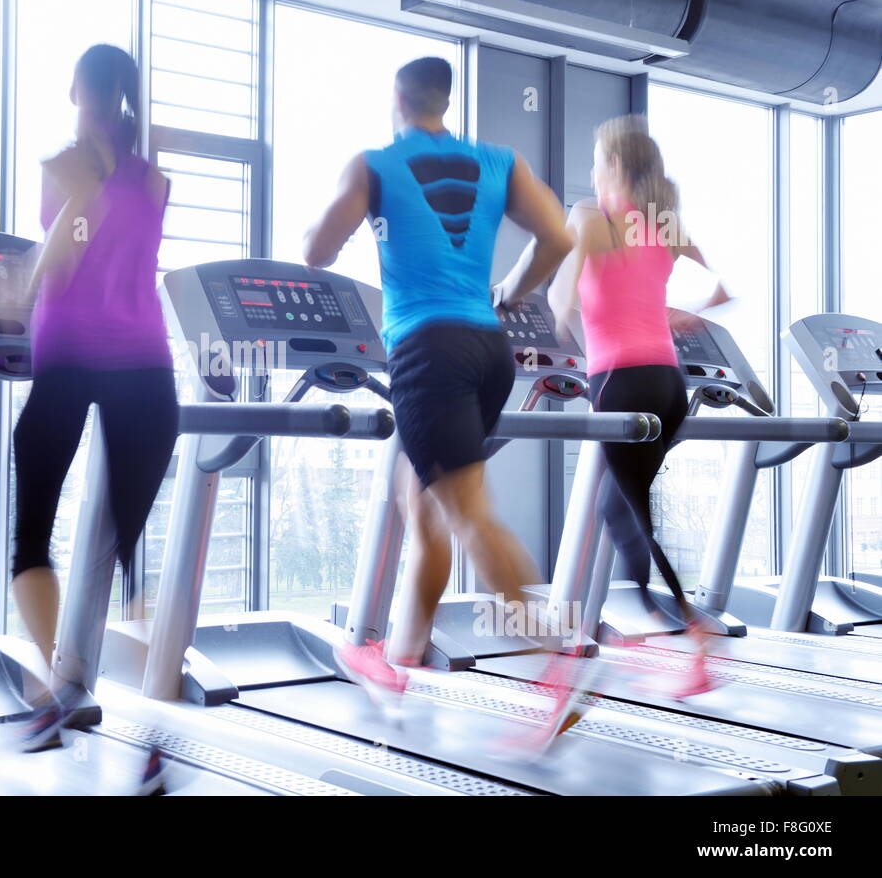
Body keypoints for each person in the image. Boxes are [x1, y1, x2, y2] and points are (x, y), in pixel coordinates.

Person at [302, 56, 576, 743]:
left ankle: (557, 662)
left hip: (428, 351)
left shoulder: (375, 163)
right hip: (489, 351)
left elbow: (316, 250)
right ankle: (398, 656)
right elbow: (559, 235)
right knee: (422, 506)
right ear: (445, 101)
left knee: (470, 515)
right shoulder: (498, 160)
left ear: (396, 97)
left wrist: (356, 224)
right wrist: (511, 290)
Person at [11, 44, 179, 779]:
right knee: (129, 554)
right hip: (148, 370)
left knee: (31, 535)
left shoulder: (67, 165)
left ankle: (55, 689)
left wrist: (18, 292)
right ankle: (153, 723)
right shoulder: (158, 178)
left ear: (77, 87)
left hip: (73, 355)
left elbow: (73, 243)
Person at [547, 113, 730, 701]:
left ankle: (693, 633)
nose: (593, 173)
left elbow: (557, 298)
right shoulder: (663, 224)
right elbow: (722, 289)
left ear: (615, 168)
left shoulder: (587, 219)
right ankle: (646, 628)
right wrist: (683, 316)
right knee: (616, 507)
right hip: (668, 385)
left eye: (599, 161)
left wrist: (556, 327)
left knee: (634, 513)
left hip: (619, 383)